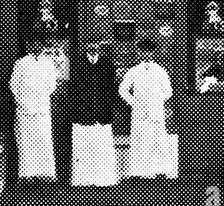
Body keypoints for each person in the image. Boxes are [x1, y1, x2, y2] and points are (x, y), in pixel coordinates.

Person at [120, 37, 174, 179]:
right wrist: (134, 102)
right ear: (139, 53)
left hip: (155, 112)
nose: (146, 55)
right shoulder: (134, 71)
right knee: (140, 141)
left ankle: (158, 172)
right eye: (143, 52)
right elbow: (123, 89)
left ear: (153, 53)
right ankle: (139, 173)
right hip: (139, 113)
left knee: (157, 141)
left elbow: (168, 91)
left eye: (149, 52)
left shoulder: (160, 71)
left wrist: (157, 100)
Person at [69, 37, 119, 187]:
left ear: (99, 46)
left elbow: (112, 90)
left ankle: (103, 180)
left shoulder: (107, 64)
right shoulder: (77, 64)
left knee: (102, 149)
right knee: (84, 149)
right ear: (85, 46)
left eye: (95, 45)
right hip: (83, 115)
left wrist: (108, 108)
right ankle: (83, 181)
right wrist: (77, 110)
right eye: (89, 45)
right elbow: (73, 91)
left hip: (103, 115)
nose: (92, 48)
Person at [10, 35, 58, 181]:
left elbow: (52, 84)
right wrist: (22, 102)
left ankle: (45, 175)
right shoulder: (21, 63)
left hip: (41, 108)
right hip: (25, 109)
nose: (36, 47)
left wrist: (41, 95)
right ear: (30, 46)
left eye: (39, 44)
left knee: (43, 141)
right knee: (26, 142)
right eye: (34, 44)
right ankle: (27, 176)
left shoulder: (48, 63)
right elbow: (13, 85)